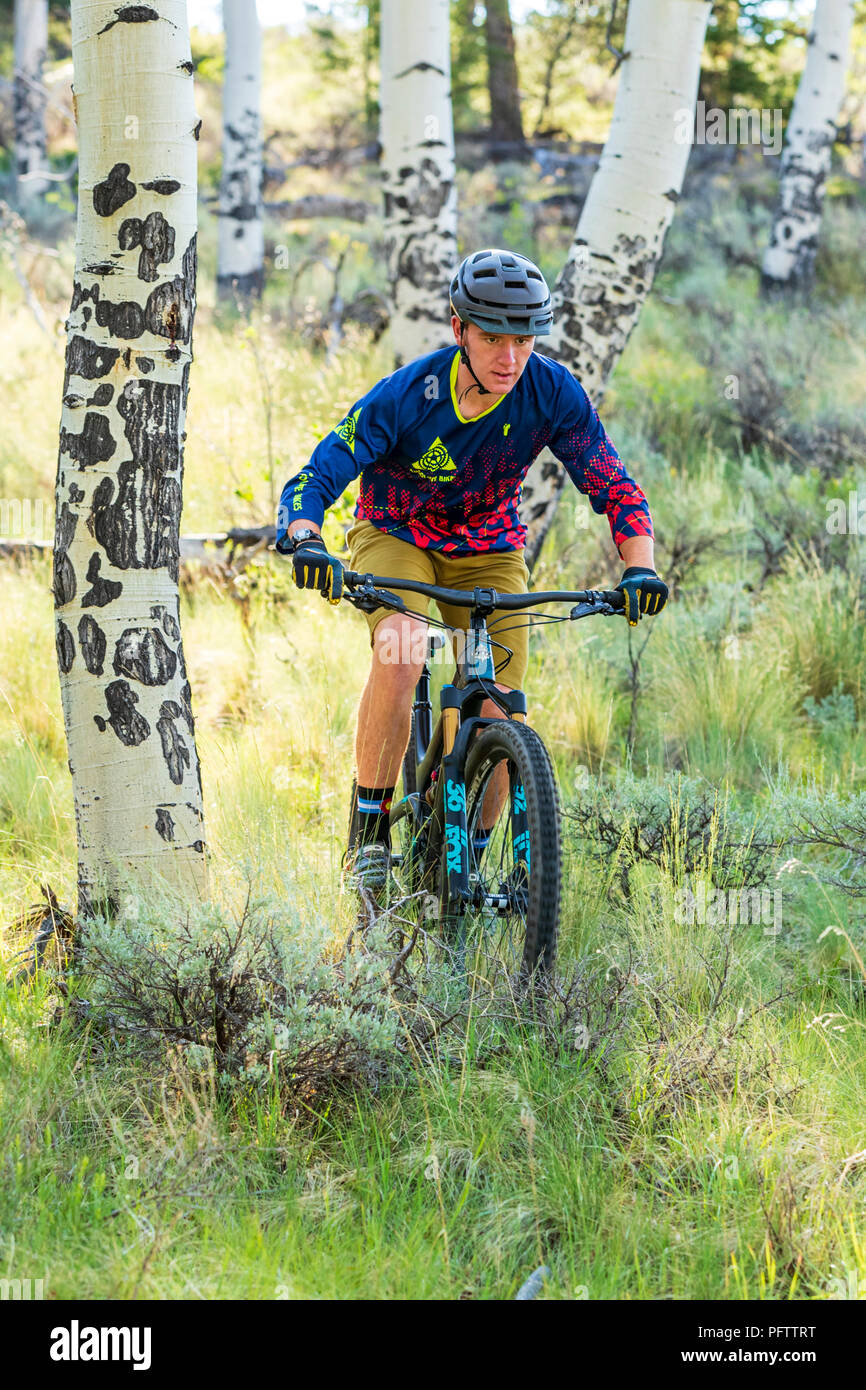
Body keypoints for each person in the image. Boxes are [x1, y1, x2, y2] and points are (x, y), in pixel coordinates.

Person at [275, 248, 668, 898]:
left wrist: (640, 569)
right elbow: (324, 467)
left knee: (497, 708)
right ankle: (369, 831)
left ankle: (461, 860)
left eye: (523, 339)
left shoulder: (550, 392)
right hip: (397, 535)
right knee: (402, 649)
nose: (509, 358)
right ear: (459, 329)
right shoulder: (412, 393)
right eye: (492, 338)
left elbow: (613, 483)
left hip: (489, 549)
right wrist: (305, 537)